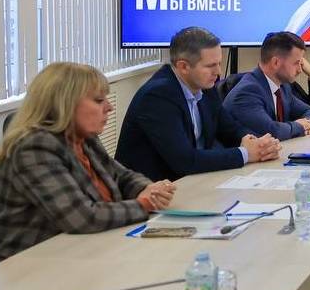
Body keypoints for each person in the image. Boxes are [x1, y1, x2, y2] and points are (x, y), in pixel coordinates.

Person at [0, 62, 175, 264]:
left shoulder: (83, 138)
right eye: (99, 100)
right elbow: (82, 217)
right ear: (65, 104)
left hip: (79, 252)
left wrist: (147, 189)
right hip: (25, 266)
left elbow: (121, 176)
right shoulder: (34, 147)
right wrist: (143, 204)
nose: (109, 107)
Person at [117, 27, 280, 181]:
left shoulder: (204, 86)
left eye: (219, 63)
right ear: (183, 66)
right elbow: (184, 161)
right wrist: (245, 154)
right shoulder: (158, 96)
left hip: (193, 180)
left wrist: (256, 143)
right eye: (210, 66)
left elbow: (230, 128)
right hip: (153, 189)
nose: (218, 72)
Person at [224, 31, 310, 140]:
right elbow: (272, 131)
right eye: (296, 63)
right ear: (276, 63)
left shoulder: (283, 87)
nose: (300, 70)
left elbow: (309, 111)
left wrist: (309, 123)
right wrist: (300, 126)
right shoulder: (248, 91)